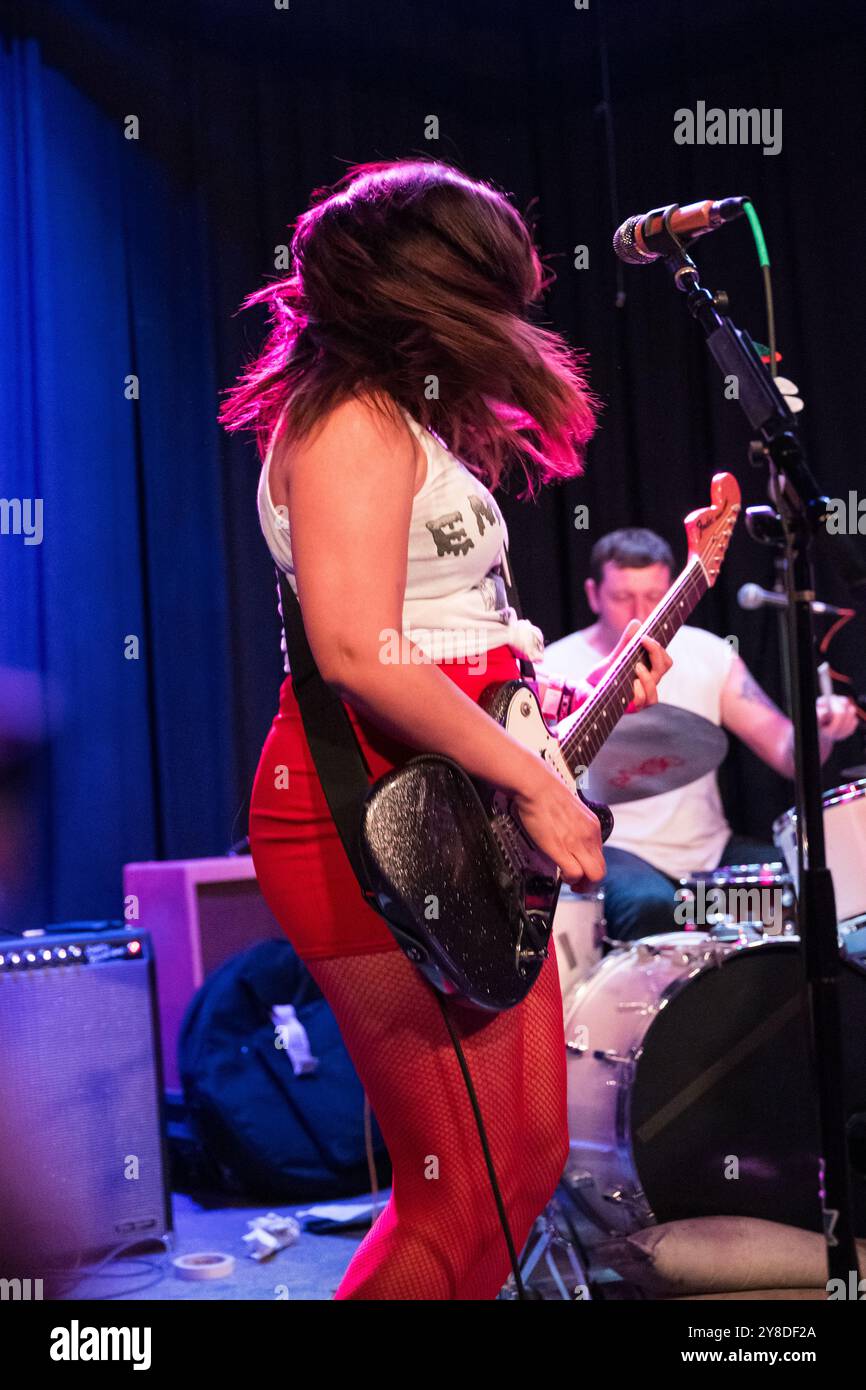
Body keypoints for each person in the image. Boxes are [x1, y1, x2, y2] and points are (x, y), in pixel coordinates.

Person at [219, 159, 671, 1300]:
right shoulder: (346, 426)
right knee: (455, 1184)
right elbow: (362, 652)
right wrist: (530, 780)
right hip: (365, 814)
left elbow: (447, 632)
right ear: (427, 290)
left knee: (521, 1167)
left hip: (450, 796)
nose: (515, 318)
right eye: (494, 290)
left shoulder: (403, 424)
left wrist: (547, 712)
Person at [543, 527, 859, 941]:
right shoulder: (556, 666)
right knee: (653, 908)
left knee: (806, 888)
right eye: (623, 597)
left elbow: (788, 754)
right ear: (592, 594)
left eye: (655, 597)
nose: (640, 614)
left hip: (709, 854)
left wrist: (822, 730)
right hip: (616, 852)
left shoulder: (710, 654)